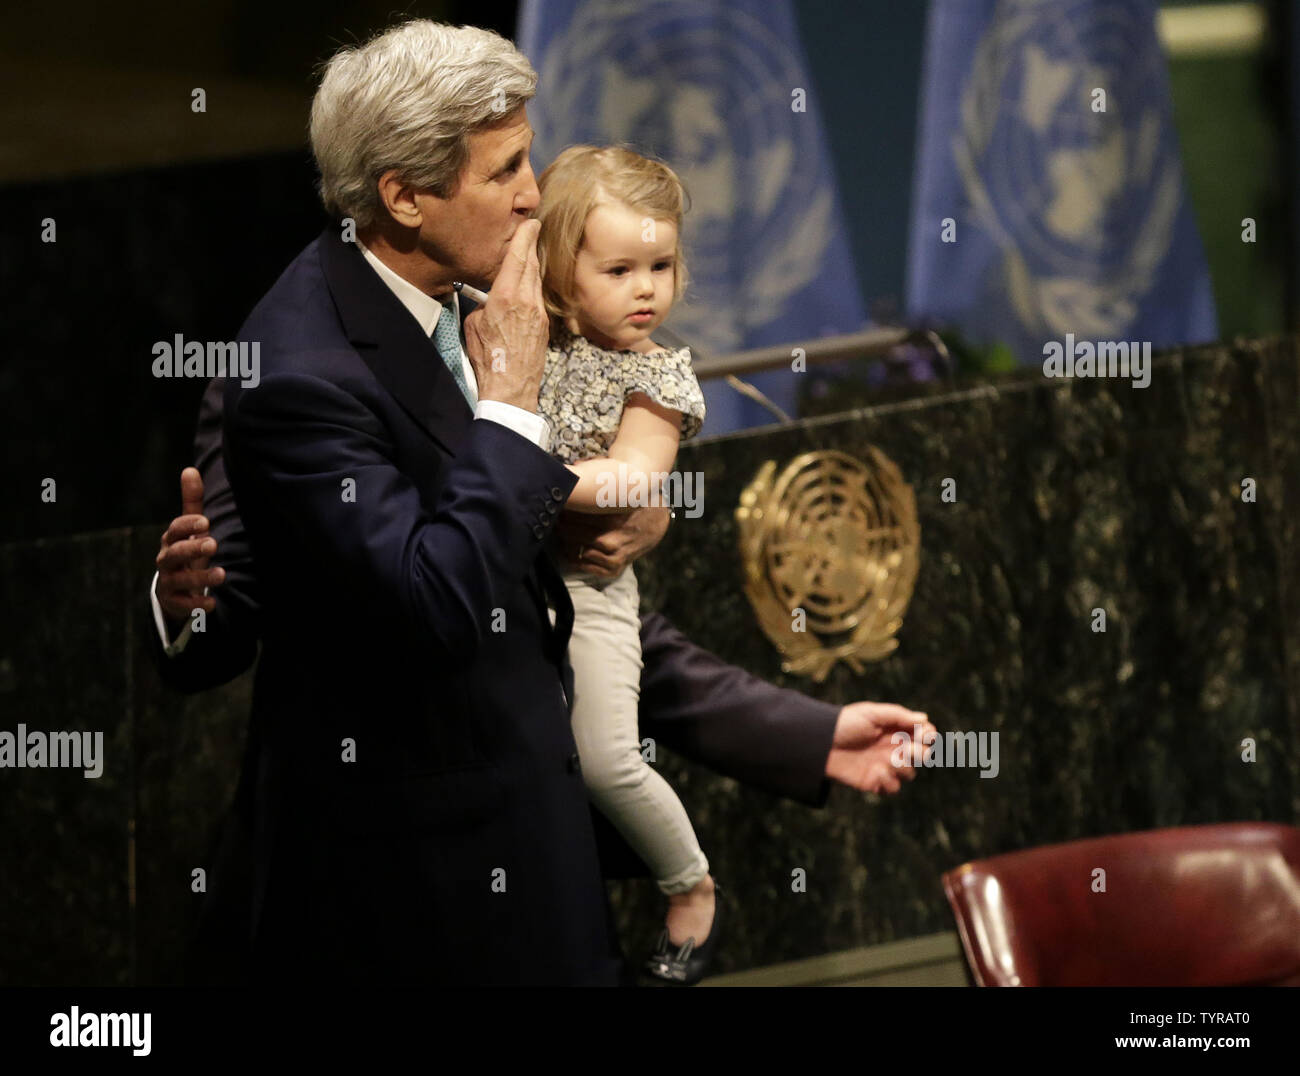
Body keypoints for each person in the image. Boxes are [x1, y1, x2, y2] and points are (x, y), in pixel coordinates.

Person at [149, 19, 936, 987]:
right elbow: (435, 604)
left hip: (541, 874)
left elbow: (553, 610)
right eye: (505, 169)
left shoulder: (484, 300)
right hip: (409, 911)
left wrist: (803, 732)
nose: (534, 193)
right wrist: (515, 410)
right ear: (403, 196)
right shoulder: (299, 364)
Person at [531, 144, 714, 982]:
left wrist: (525, 474)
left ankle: (689, 882)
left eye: (661, 266)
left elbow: (636, 477)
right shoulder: (517, 331)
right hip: (502, 582)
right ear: (559, 269)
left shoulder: (657, 376)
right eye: (619, 269)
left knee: (605, 758)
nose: (647, 290)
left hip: (590, 586)